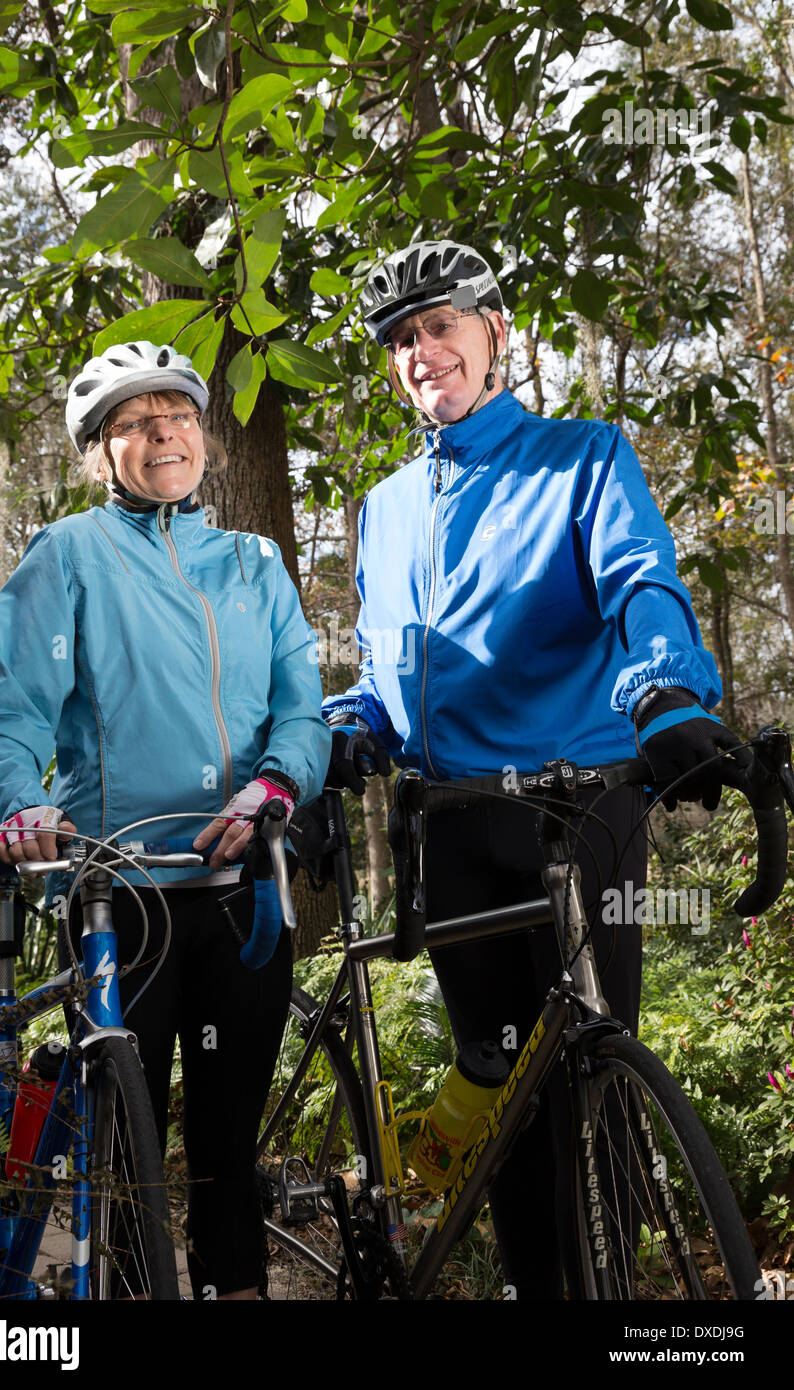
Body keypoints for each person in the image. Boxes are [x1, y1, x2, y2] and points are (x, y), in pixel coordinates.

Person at [322, 240, 748, 1298]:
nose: (421, 354)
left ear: (491, 333)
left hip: (581, 807)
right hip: (454, 822)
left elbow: (640, 581)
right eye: (400, 341)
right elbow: (387, 672)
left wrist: (662, 692)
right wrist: (344, 728)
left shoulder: (583, 455)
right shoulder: (382, 508)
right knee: (503, 1082)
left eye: (438, 326)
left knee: (591, 1078)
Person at [0, 340, 331, 1300]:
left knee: (228, 1140)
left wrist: (276, 787)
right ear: (98, 455)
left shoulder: (255, 562)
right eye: (132, 421)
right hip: (119, 896)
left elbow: (301, 707)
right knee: (127, 1146)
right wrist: (19, 804)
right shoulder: (67, 556)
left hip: (247, 890)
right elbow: (9, 722)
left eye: (176, 413)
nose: (162, 430)